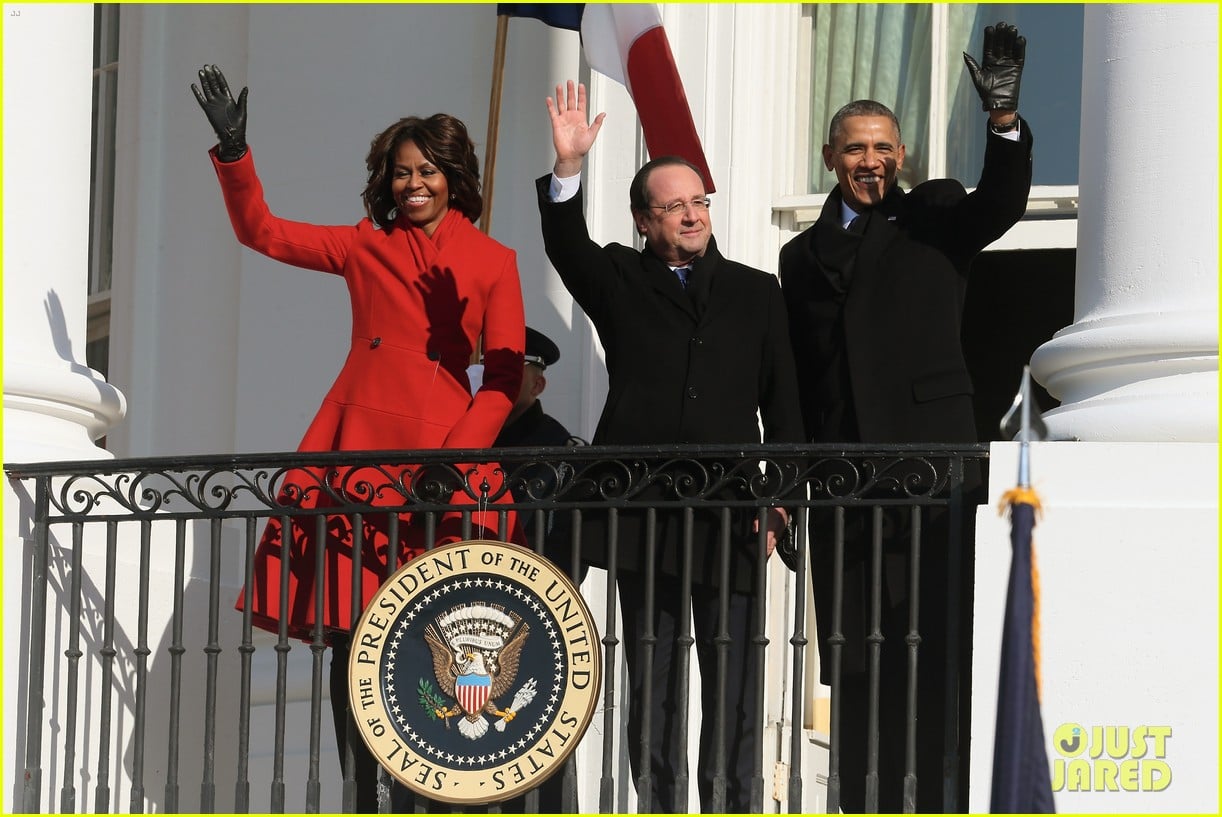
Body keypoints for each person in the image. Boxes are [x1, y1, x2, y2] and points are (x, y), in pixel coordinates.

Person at [191, 65, 526, 812]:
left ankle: (437, 795)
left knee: (437, 647)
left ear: (454, 177)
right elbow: (262, 232)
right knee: (357, 644)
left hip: (444, 465)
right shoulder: (363, 246)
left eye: (427, 170)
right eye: (401, 172)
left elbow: (502, 377)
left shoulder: (495, 261)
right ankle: (362, 796)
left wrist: (456, 461)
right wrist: (236, 153)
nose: (413, 183)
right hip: (358, 455)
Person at [777, 22, 1033, 813]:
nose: (871, 162)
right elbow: (796, 382)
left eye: (884, 148)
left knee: (937, 640)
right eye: (856, 149)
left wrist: (1001, 122)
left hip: (932, 470)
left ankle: (947, 795)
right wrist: (791, 479)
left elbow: (1000, 203)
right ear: (831, 158)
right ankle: (860, 797)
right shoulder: (799, 257)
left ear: (902, 156)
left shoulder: (933, 215)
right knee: (856, 655)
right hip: (847, 479)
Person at [536, 81, 805, 813]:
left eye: (700, 203)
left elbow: (784, 406)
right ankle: (660, 805)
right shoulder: (619, 278)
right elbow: (565, 243)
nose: (692, 215)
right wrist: (567, 169)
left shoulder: (756, 292)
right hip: (645, 511)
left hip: (733, 511)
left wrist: (782, 497)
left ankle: (733, 807)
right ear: (644, 221)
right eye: (675, 206)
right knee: (652, 677)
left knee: (735, 680)